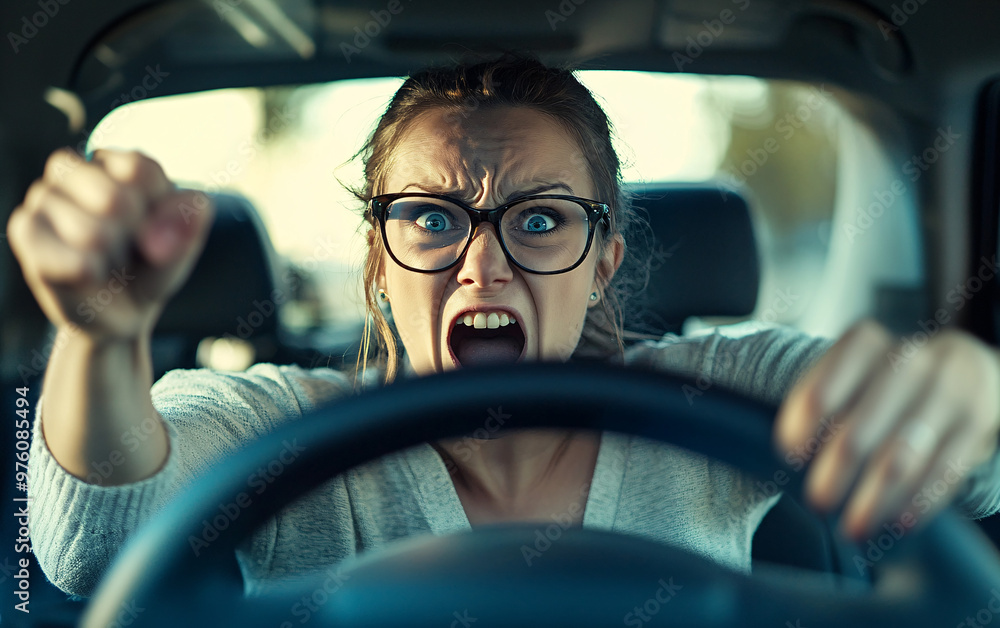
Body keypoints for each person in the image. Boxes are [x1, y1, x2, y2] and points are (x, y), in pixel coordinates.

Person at [9, 55, 1000, 598]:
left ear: (603, 261)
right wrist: (99, 338)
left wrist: (973, 399)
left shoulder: (724, 390)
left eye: (539, 219)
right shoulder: (276, 425)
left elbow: (963, 463)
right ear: (376, 263)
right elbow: (100, 538)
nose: (483, 264)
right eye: (431, 220)